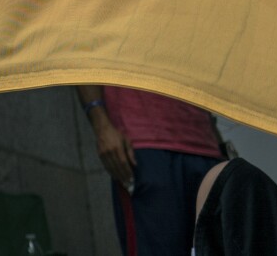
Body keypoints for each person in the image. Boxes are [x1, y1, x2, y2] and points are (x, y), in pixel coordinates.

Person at [76, 85, 225, 256]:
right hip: (145, 145)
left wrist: (220, 146)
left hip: (206, 148)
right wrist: (101, 125)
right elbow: (81, 58)